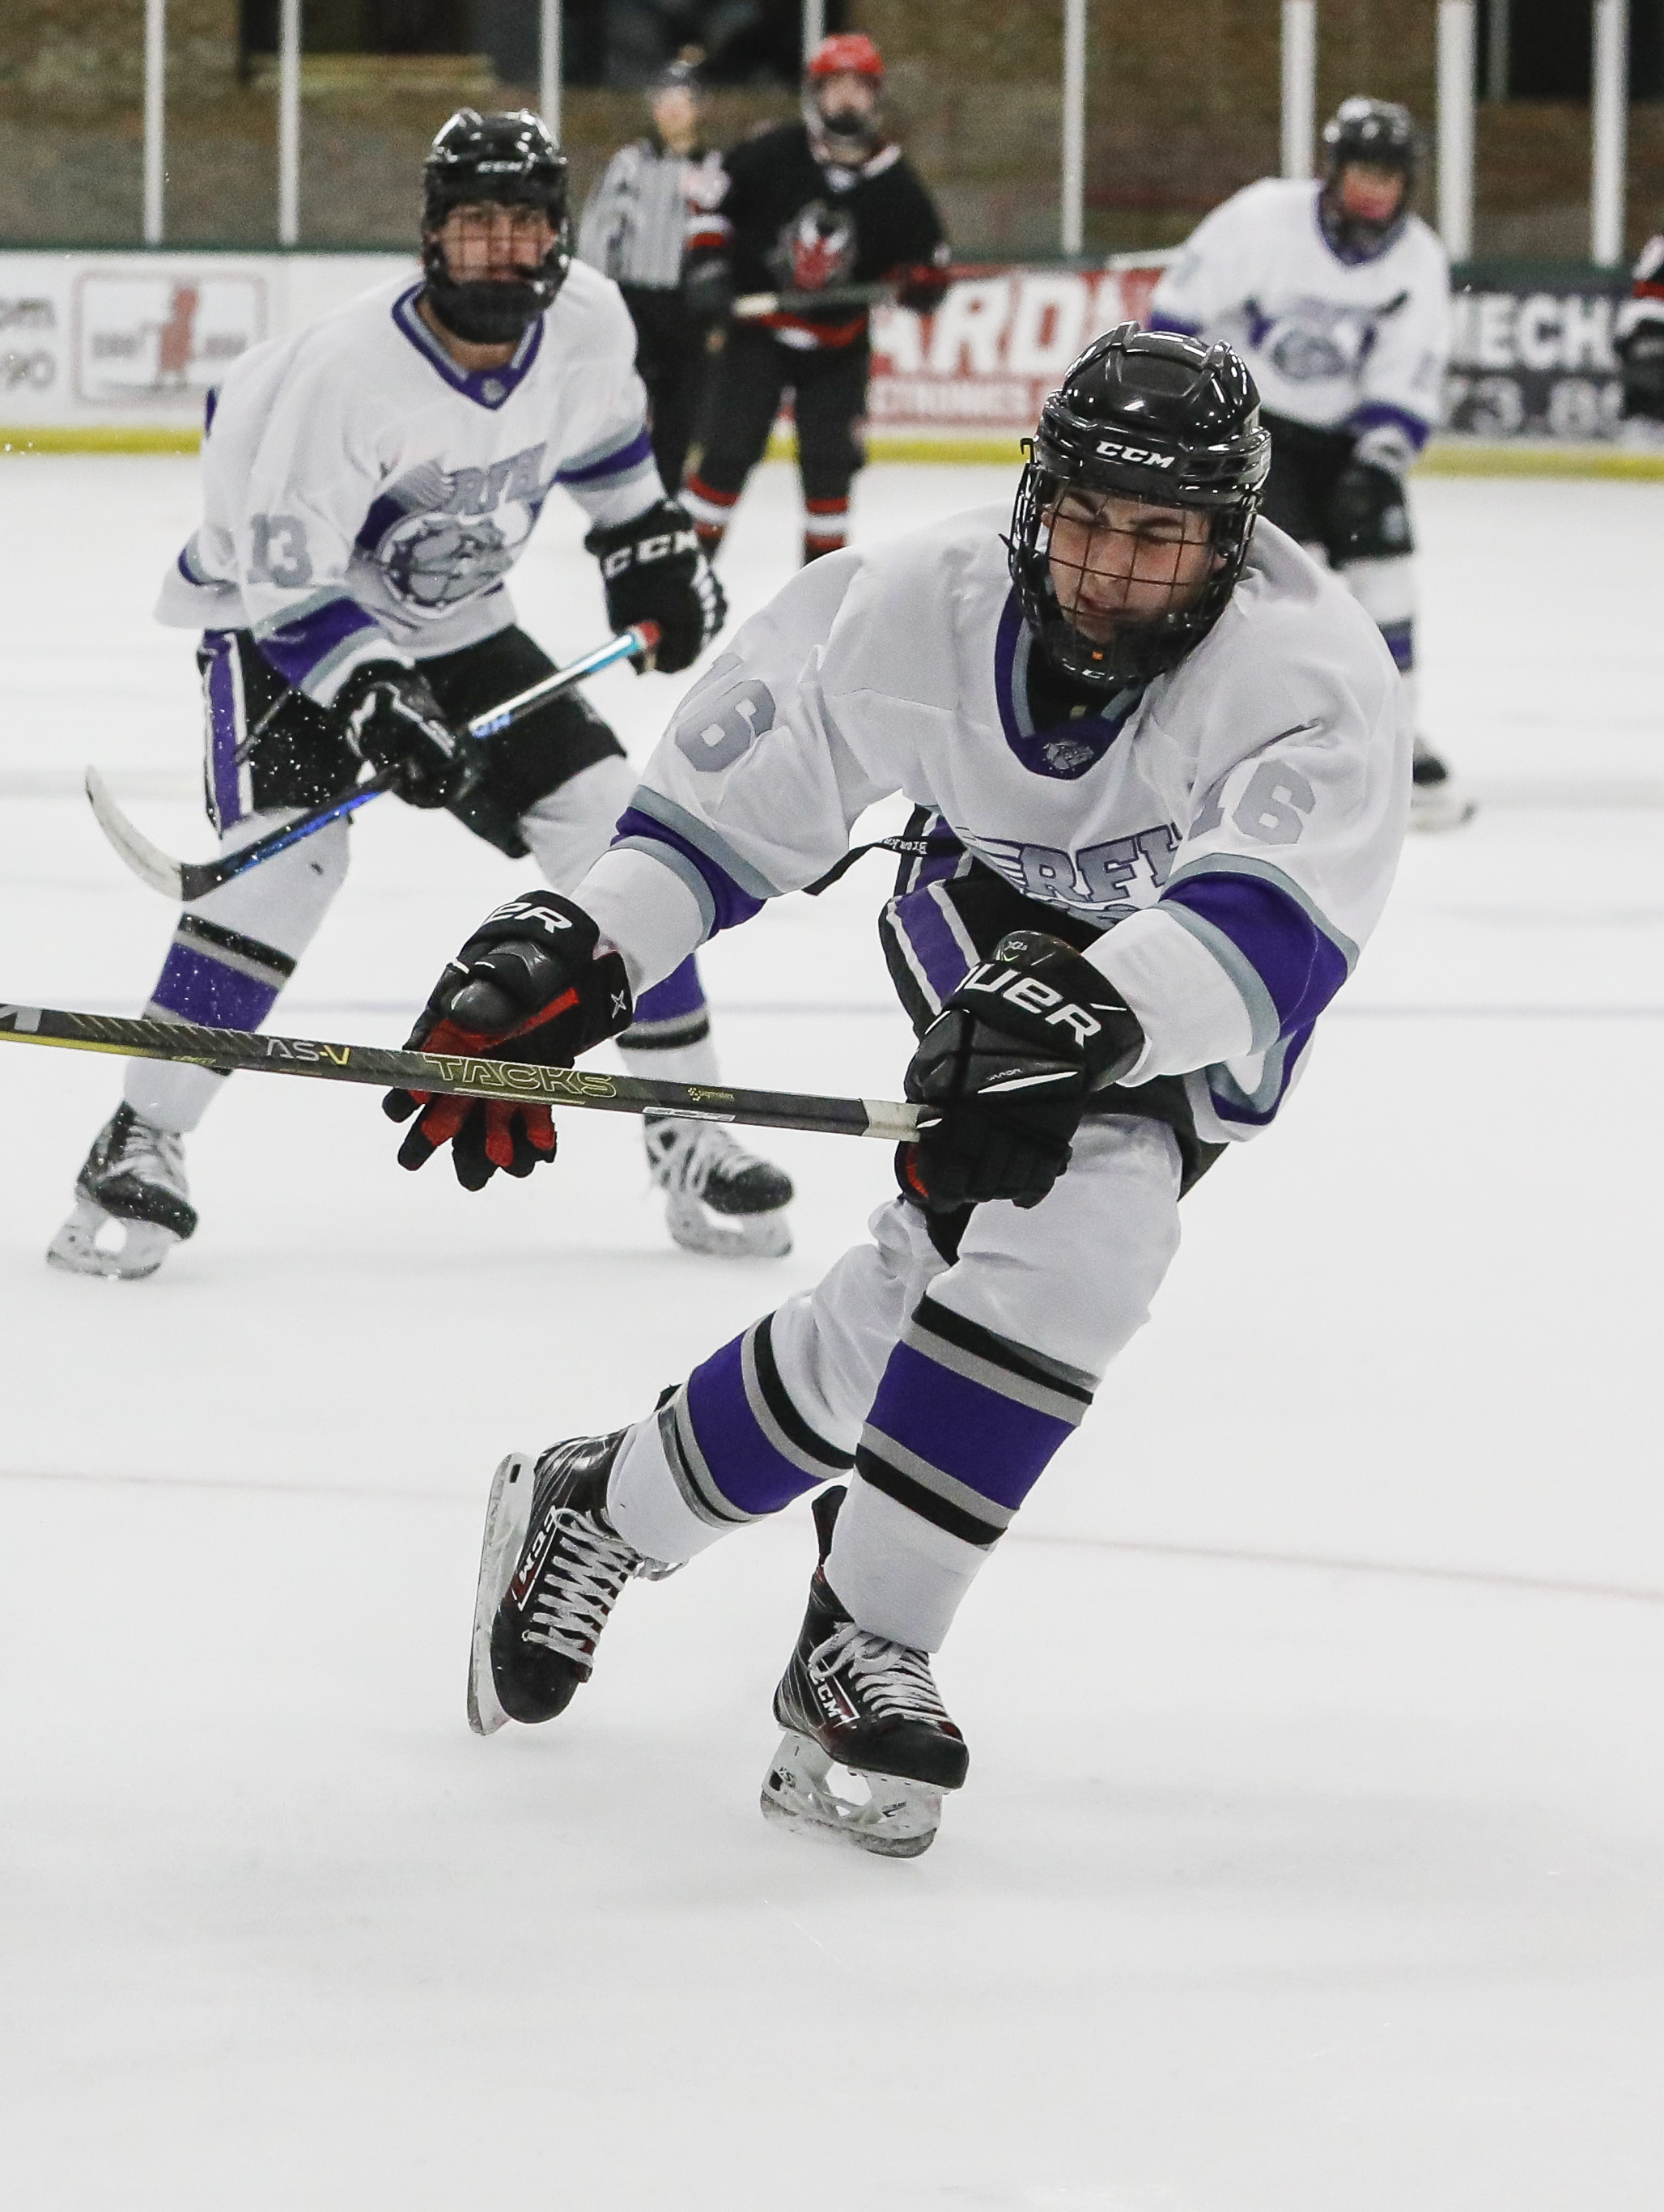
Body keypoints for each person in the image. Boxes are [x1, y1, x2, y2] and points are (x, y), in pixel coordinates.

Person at [405, 328, 1402, 1858]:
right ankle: (859, 1640)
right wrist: (572, 949)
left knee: (929, 1296)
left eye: (1155, 537)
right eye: (1080, 521)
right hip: (982, 909)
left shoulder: (1307, 666)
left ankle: (605, 1504)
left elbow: (1266, 923)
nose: (1106, 572)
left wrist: (1101, 1010)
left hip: (1194, 972)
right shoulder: (914, 606)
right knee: (1082, 1221)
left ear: (1227, 540)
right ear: (1032, 504)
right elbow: (722, 816)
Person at [48, 108, 782, 1284]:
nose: (501, 247)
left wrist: (651, 555)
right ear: (432, 237)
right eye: (475, 223)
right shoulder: (346, 373)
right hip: (285, 622)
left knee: (617, 830)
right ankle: (143, 1135)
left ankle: (683, 1124)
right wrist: (375, 699)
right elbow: (285, 593)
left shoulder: (589, 319)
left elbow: (611, 472)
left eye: (525, 224)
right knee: (288, 866)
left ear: (557, 237)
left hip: (460, 623)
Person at [1152, 99, 1467, 834]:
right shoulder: (1262, 218)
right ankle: (1263, 726)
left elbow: (1406, 373)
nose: (1376, 189)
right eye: (1363, 171)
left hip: (1352, 437)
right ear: (1333, 171)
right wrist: (1188, 415)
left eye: (1390, 174)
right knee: (1292, 580)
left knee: (1385, 575)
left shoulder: (1416, 257)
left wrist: (1378, 462)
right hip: (1256, 425)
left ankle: (1395, 728)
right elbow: (1176, 315)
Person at [679, 32, 949, 567]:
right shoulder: (772, 151)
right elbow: (710, 202)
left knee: (829, 471)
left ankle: (817, 597)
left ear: (875, 96)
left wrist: (920, 284)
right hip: (758, 334)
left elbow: (928, 268)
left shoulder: (895, 182)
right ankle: (682, 581)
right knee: (725, 456)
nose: (847, 99)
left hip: (837, 347)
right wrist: (708, 266)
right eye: (835, 86)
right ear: (814, 94)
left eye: (859, 87)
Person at [573, 59, 728, 498]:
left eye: (683, 100)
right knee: (627, 412)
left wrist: (717, 311)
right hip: (633, 303)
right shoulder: (628, 164)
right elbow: (600, 231)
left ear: (698, 108)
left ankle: (665, 502)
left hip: (688, 310)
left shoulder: (717, 170)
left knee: (681, 417)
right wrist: (596, 300)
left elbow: (726, 242)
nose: (673, 109)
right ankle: (624, 503)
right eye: (664, 99)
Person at [1625, 234, 1664, 424]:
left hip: (1640, 317)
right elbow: (1642, 285)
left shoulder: (1657, 244)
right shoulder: (1658, 244)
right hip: (1646, 316)